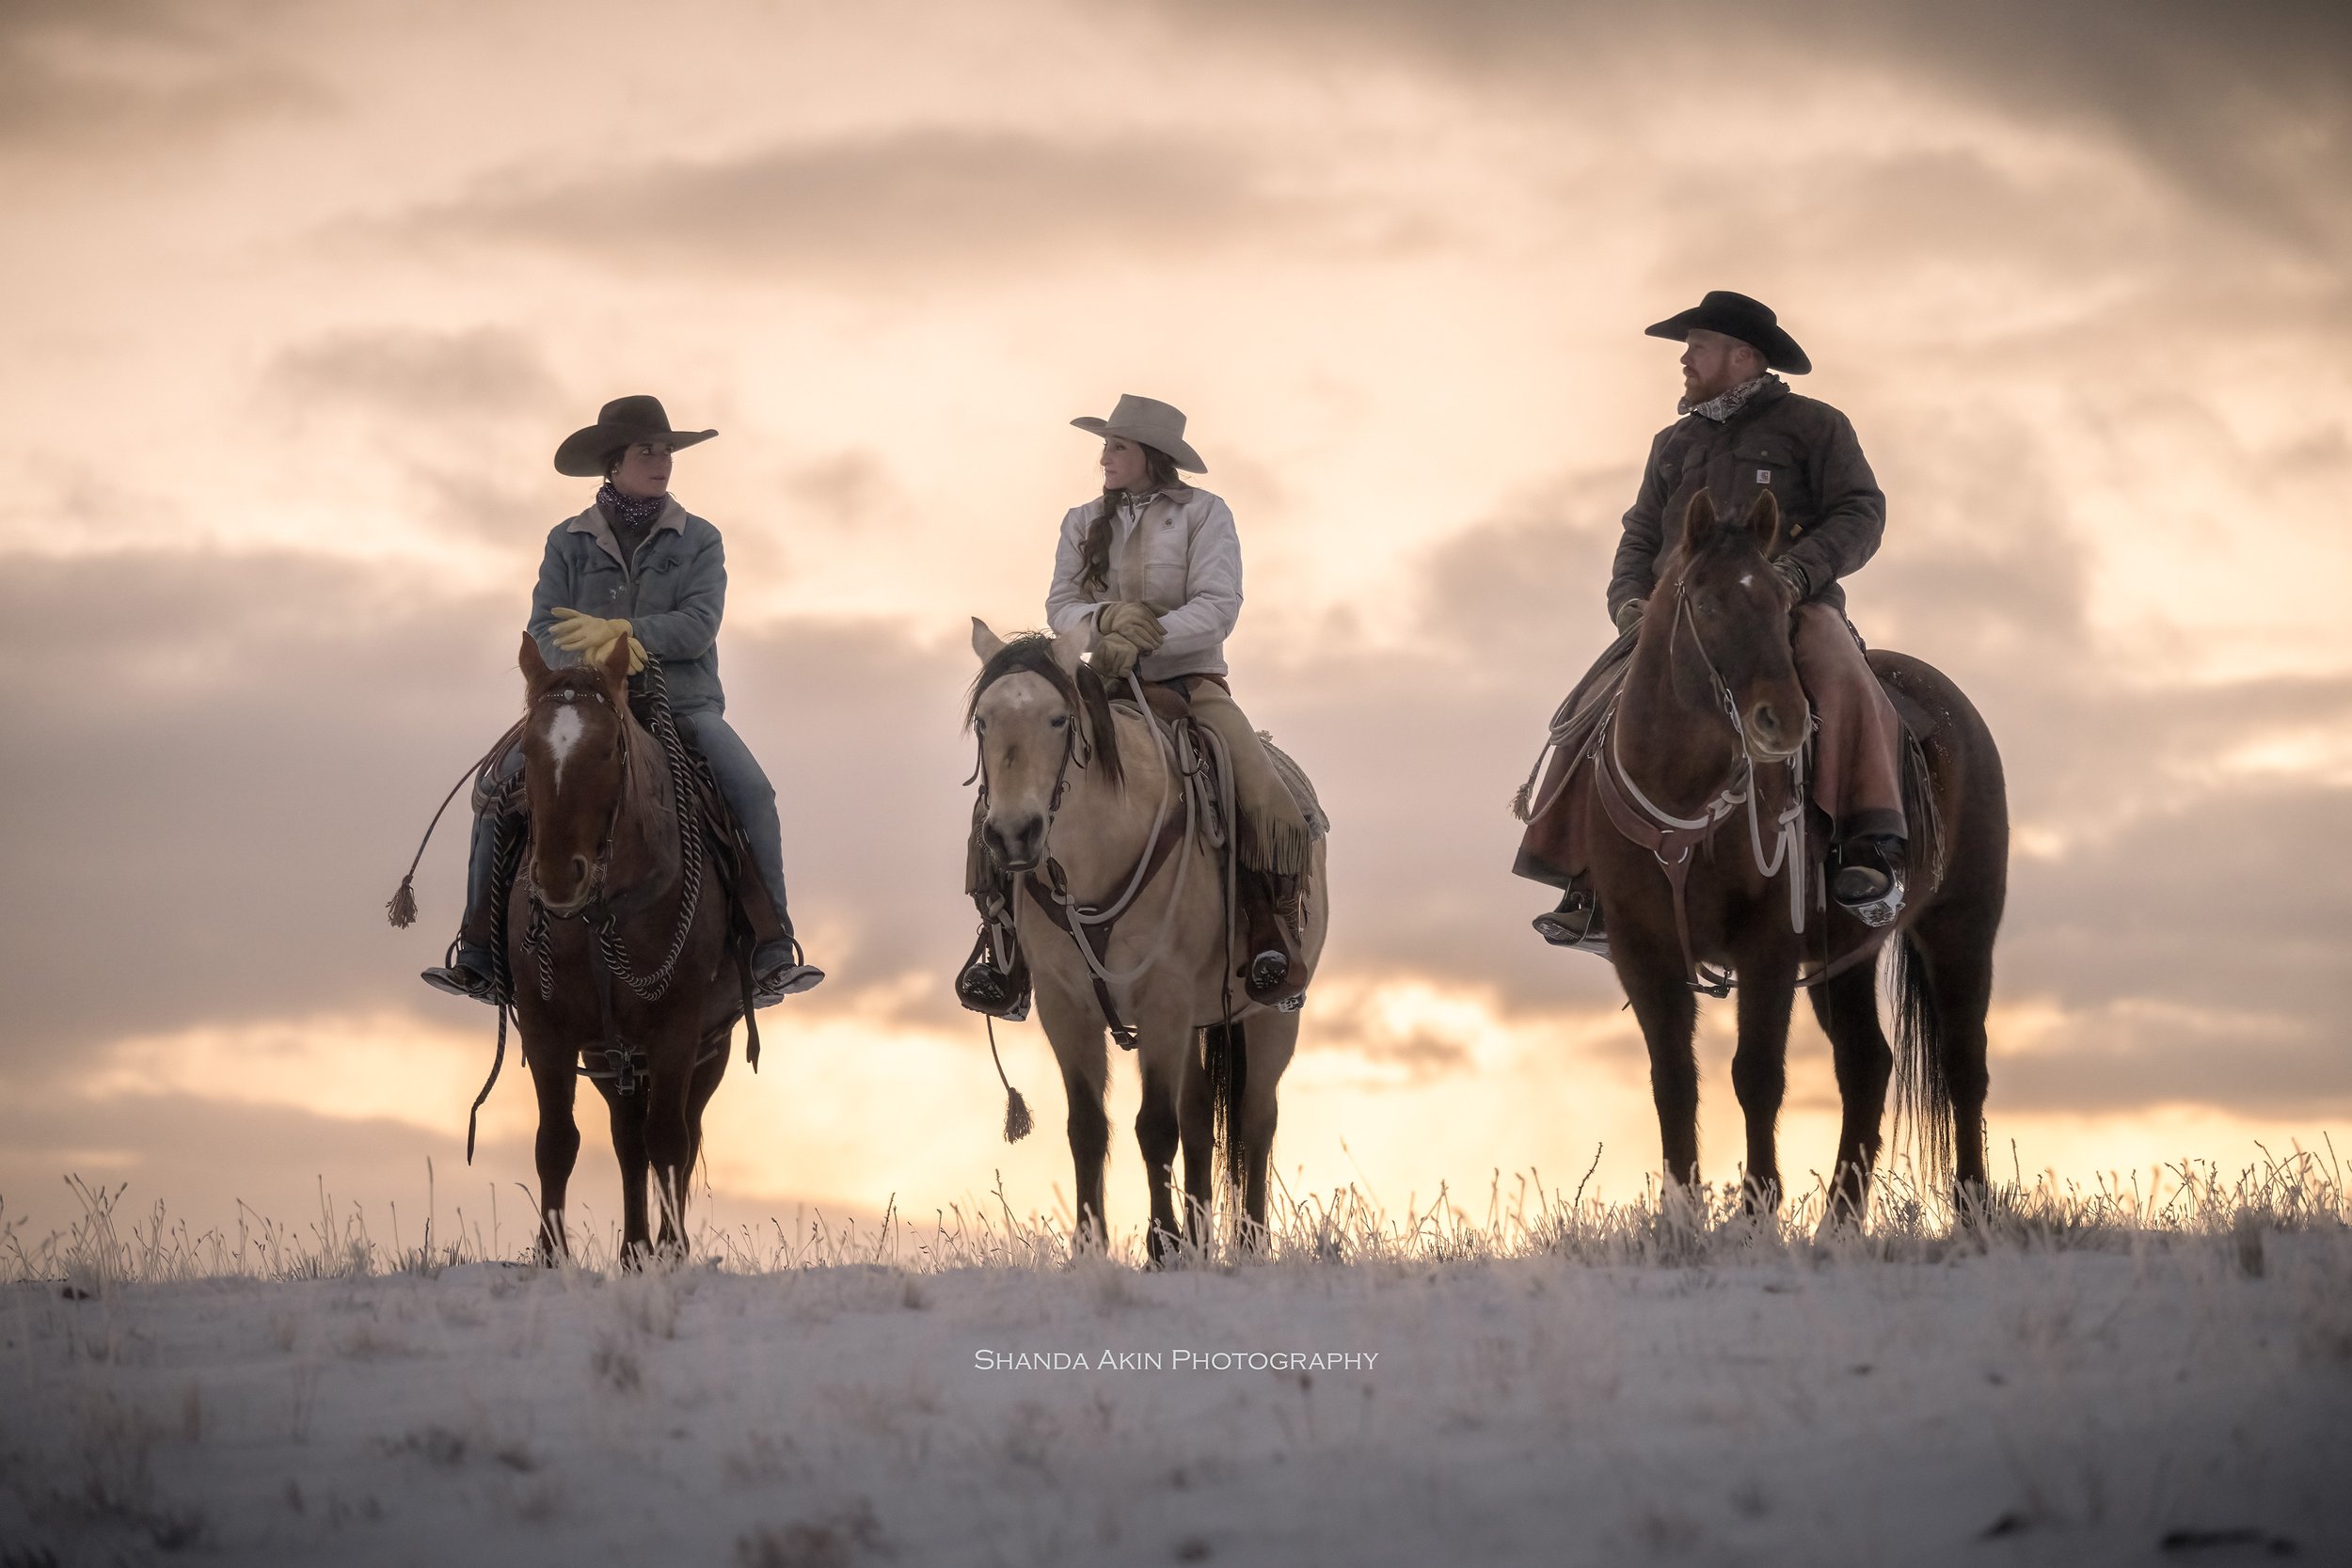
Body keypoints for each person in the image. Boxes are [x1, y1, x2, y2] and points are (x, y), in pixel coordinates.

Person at [1516, 292, 1909, 944]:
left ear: (1744, 356)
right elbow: (1641, 534)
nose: (1685, 358)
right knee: (1592, 706)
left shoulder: (1816, 425)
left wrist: (1795, 574)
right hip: (1683, 617)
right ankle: (1586, 878)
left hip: (1788, 604)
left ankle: (1868, 843)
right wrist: (1627, 600)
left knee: (1839, 671)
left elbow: (1861, 513)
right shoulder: (1672, 444)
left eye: (1697, 344)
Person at [421, 395, 821, 1006]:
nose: (661, 460)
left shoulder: (700, 540)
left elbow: (698, 625)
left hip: (683, 708)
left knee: (752, 791)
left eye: (665, 450)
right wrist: (590, 663)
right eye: (646, 451)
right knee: (496, 787)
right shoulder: (567, 542)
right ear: (615, 462)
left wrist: (628, 636)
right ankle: (479, 948)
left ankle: (771, 945)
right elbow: (544, 629)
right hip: (583, 708)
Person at [955, 394, 1312, 1018]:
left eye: (1117, 447)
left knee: (1258, 787)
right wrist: (1101, 624)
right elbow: (1060, 605)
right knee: (1003, 792)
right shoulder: (1081, 520)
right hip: (1101, 686)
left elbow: (1218, 603)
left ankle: (1269, 936)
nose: (1105, 457)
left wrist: (1145, 634)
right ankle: (1003, 948)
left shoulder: (1207, 515)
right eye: (1106, 445)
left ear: (1151, 456)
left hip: (1190, 685)